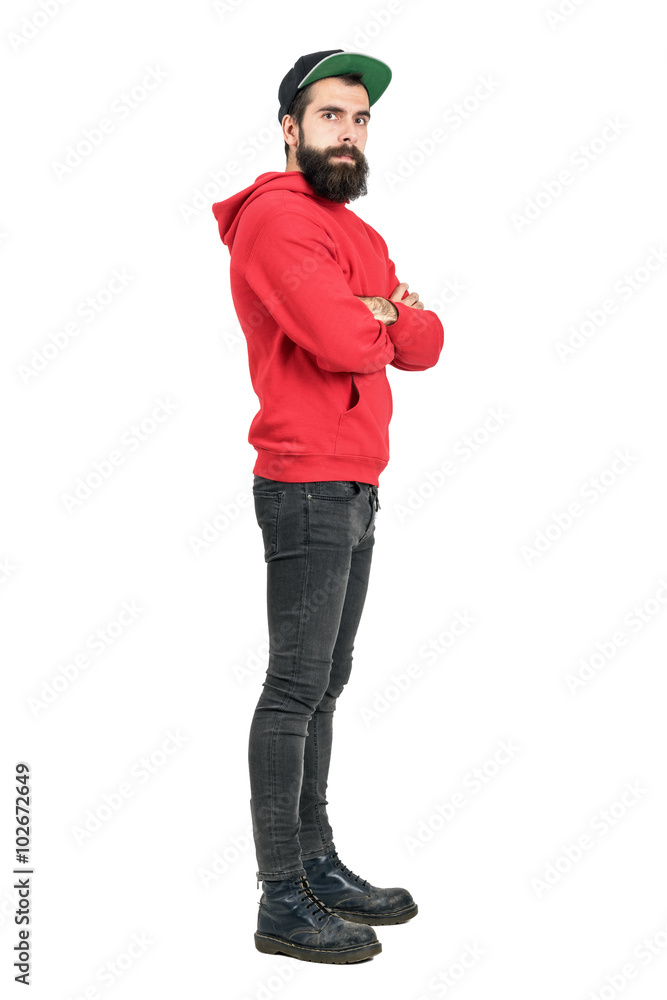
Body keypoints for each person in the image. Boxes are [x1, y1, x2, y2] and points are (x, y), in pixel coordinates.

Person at [212, 48, 444, 964]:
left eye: (358, 120)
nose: (346, 133)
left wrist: (385, 313)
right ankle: (281, 897)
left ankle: (316, 861)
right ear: (289, 127)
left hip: (355, 479)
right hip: (304, 479)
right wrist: (380, 312)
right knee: (294, 689)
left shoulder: (354, 230)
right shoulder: (276, 219)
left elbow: (423, 343)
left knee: (327, 683)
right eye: (329, 117)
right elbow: (352, 337)